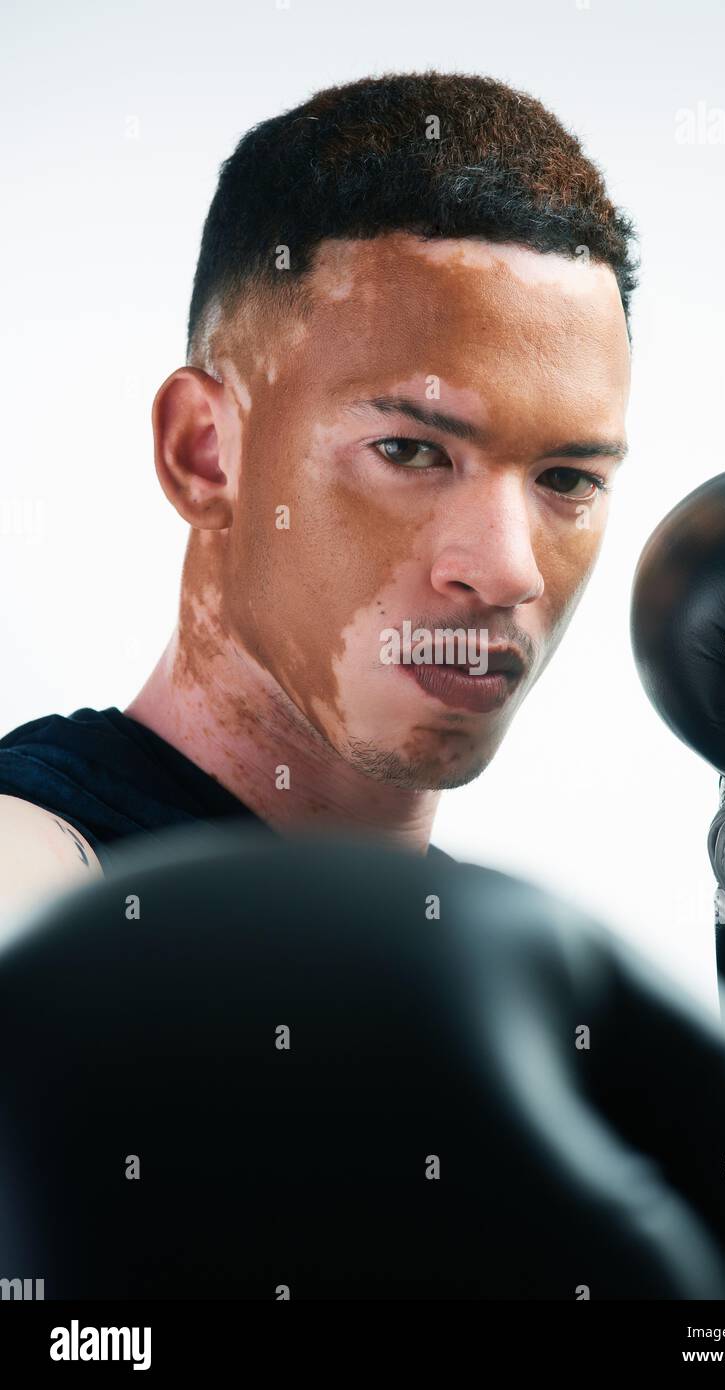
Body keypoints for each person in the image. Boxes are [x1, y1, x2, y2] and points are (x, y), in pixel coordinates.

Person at [0, 69, 634, 920]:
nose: (508, 571)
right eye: (410, 450)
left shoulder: (512, 964)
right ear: (206, 454)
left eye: (566, 479)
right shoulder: (42, 868)